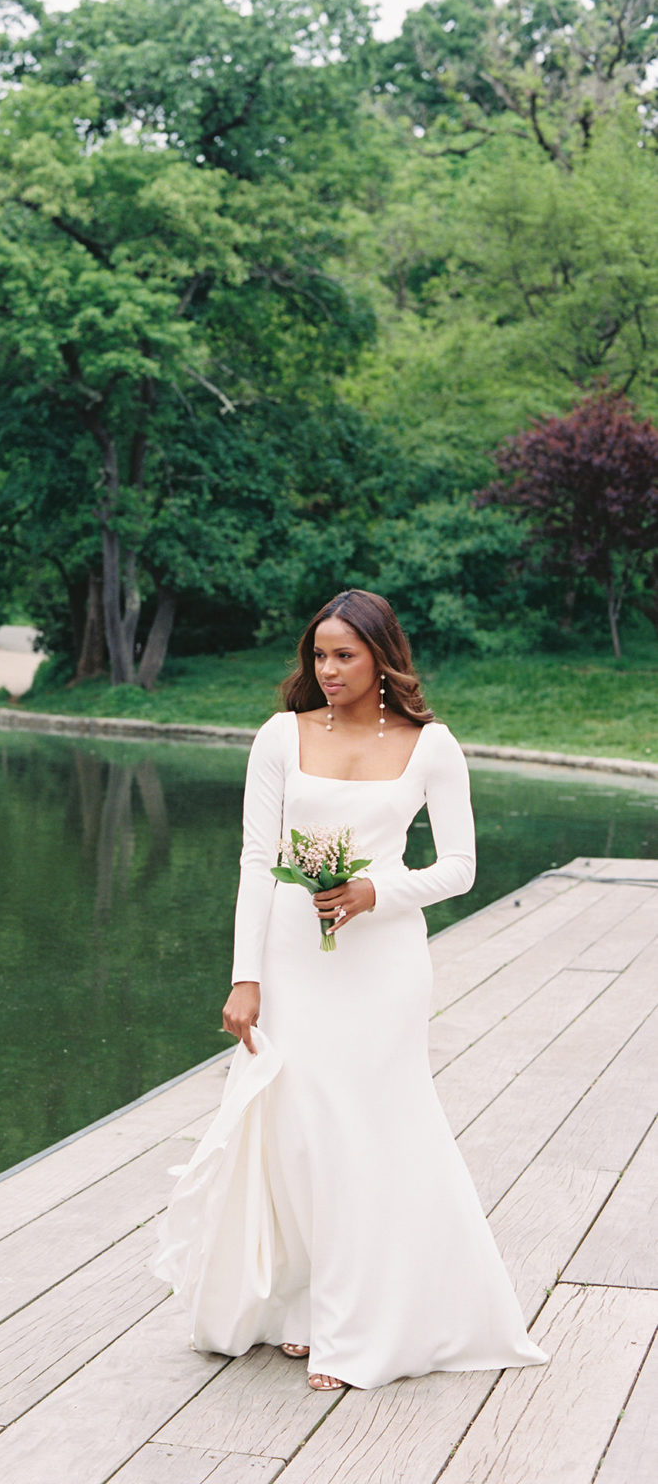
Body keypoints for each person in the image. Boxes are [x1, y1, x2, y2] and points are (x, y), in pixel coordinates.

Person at [153, 589, 547, 1392]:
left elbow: (461, 869)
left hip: (384, 966)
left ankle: (356, 1327)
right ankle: (301, 1310)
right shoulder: (280, 738)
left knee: (368, 1131)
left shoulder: (431, 745)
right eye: (318, 655)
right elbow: (257, 864)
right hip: (295, 962)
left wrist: (377, 893)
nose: (326, 670)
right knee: (299, 1132)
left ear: (381, 657)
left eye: (344, 656)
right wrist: (246, 977)